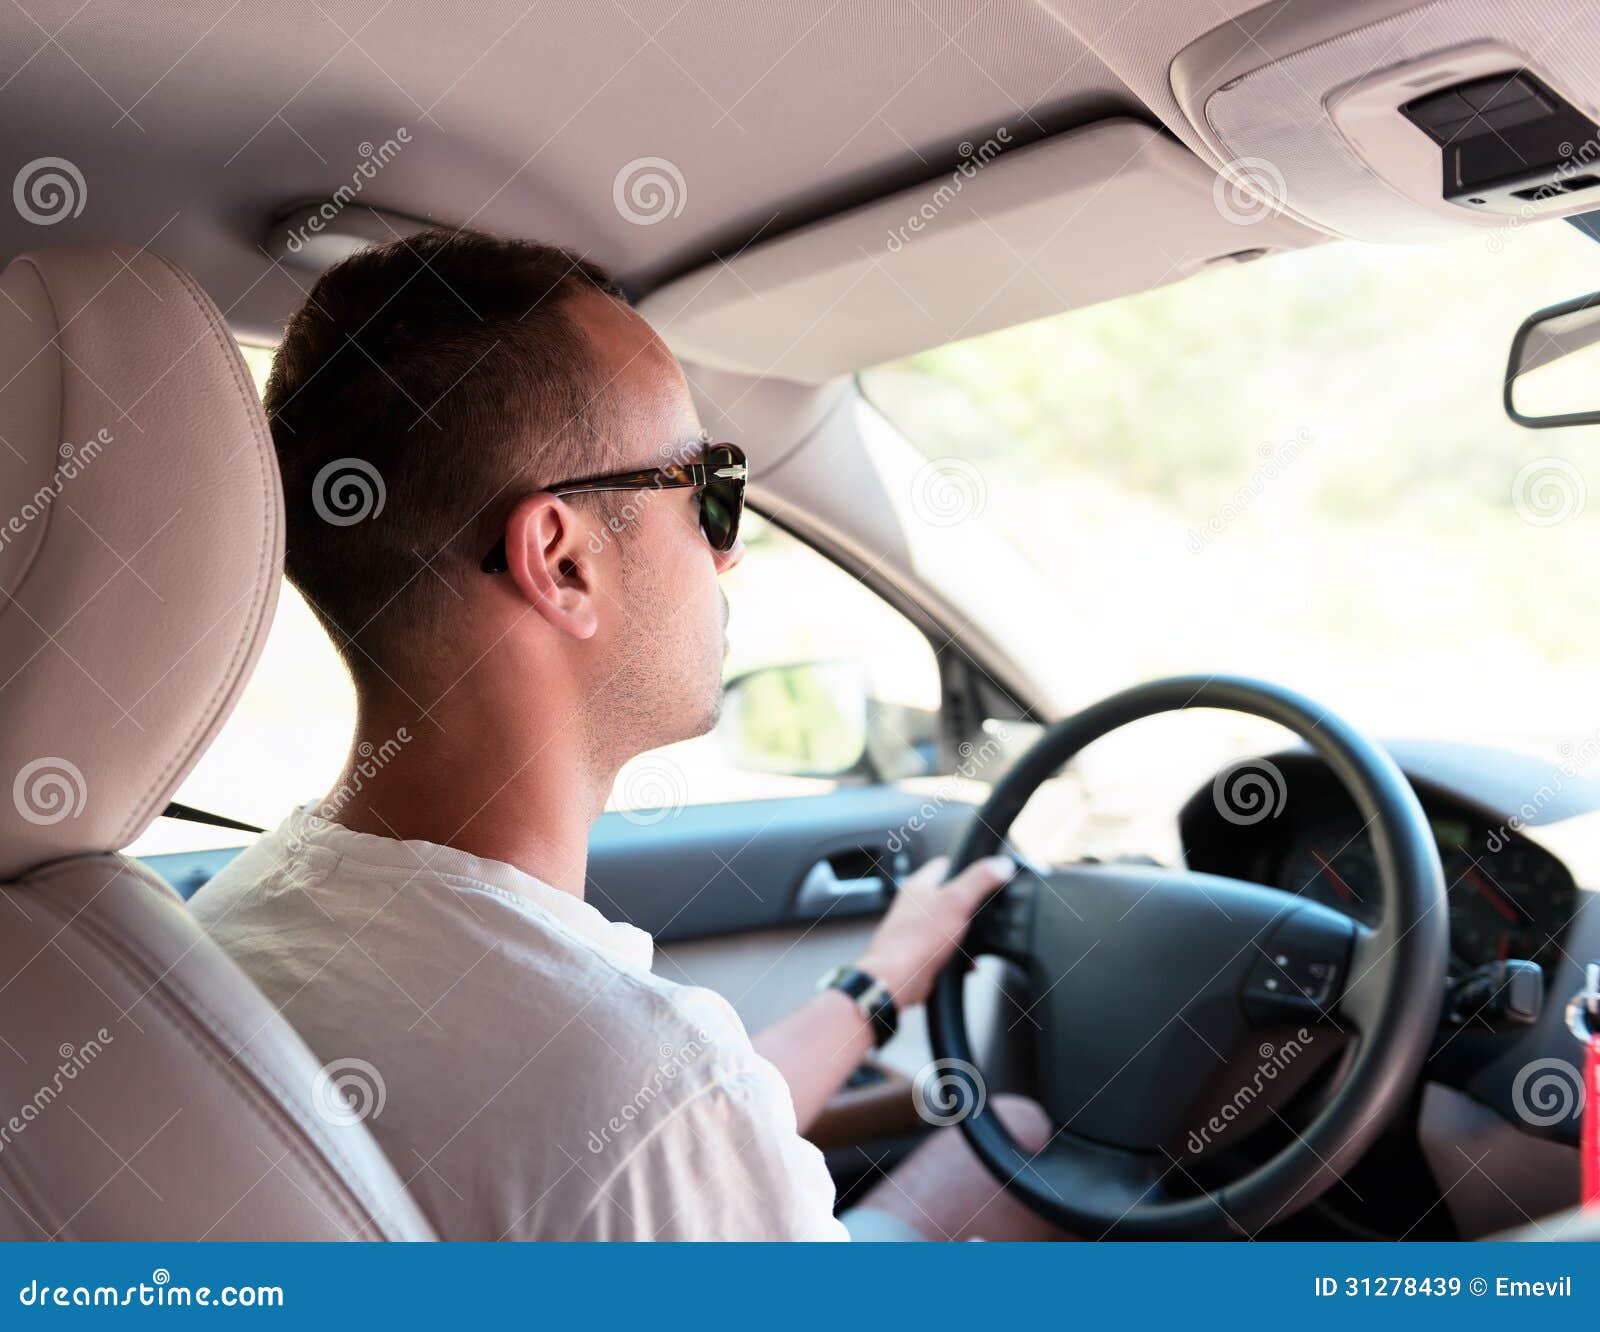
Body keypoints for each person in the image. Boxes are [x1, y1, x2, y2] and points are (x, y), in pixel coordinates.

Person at [192, 228, 1063, 1241]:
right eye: (710, 487)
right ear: (561, 563)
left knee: (1011, 1133)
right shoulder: (649, 1091)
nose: (729, 555)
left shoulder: (237, 918)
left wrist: (874, 986)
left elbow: (646, 1140)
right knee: (1022, 1140)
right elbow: (657, 1130)